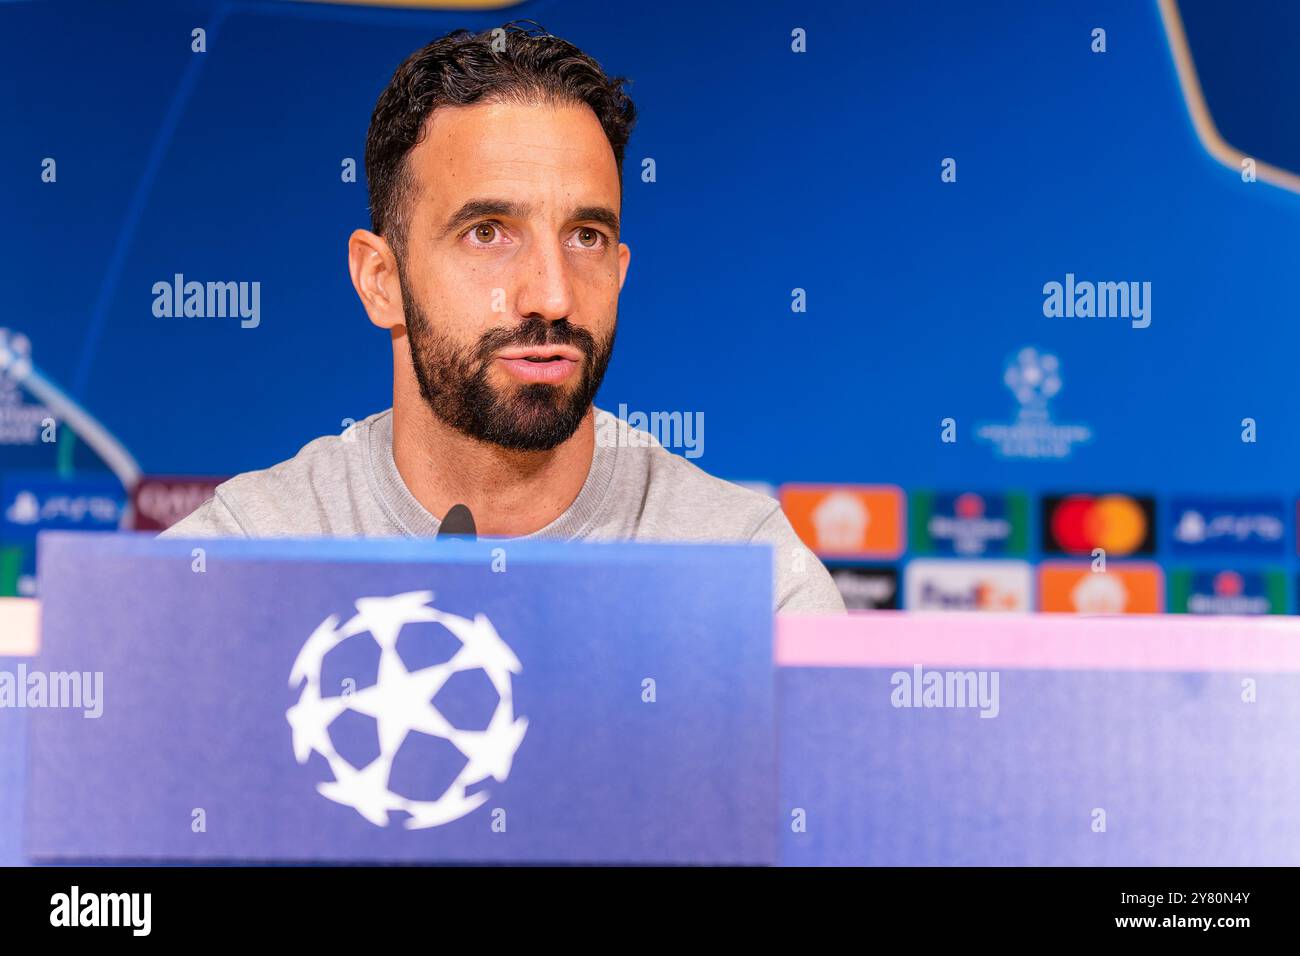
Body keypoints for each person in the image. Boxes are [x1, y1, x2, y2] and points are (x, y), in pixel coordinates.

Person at [164, 22, 844, 614]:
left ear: (621, 269)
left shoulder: (750, 579)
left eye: (586, 237)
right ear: (381, 280)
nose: (552, 296)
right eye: (488, 233)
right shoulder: (234, 564)